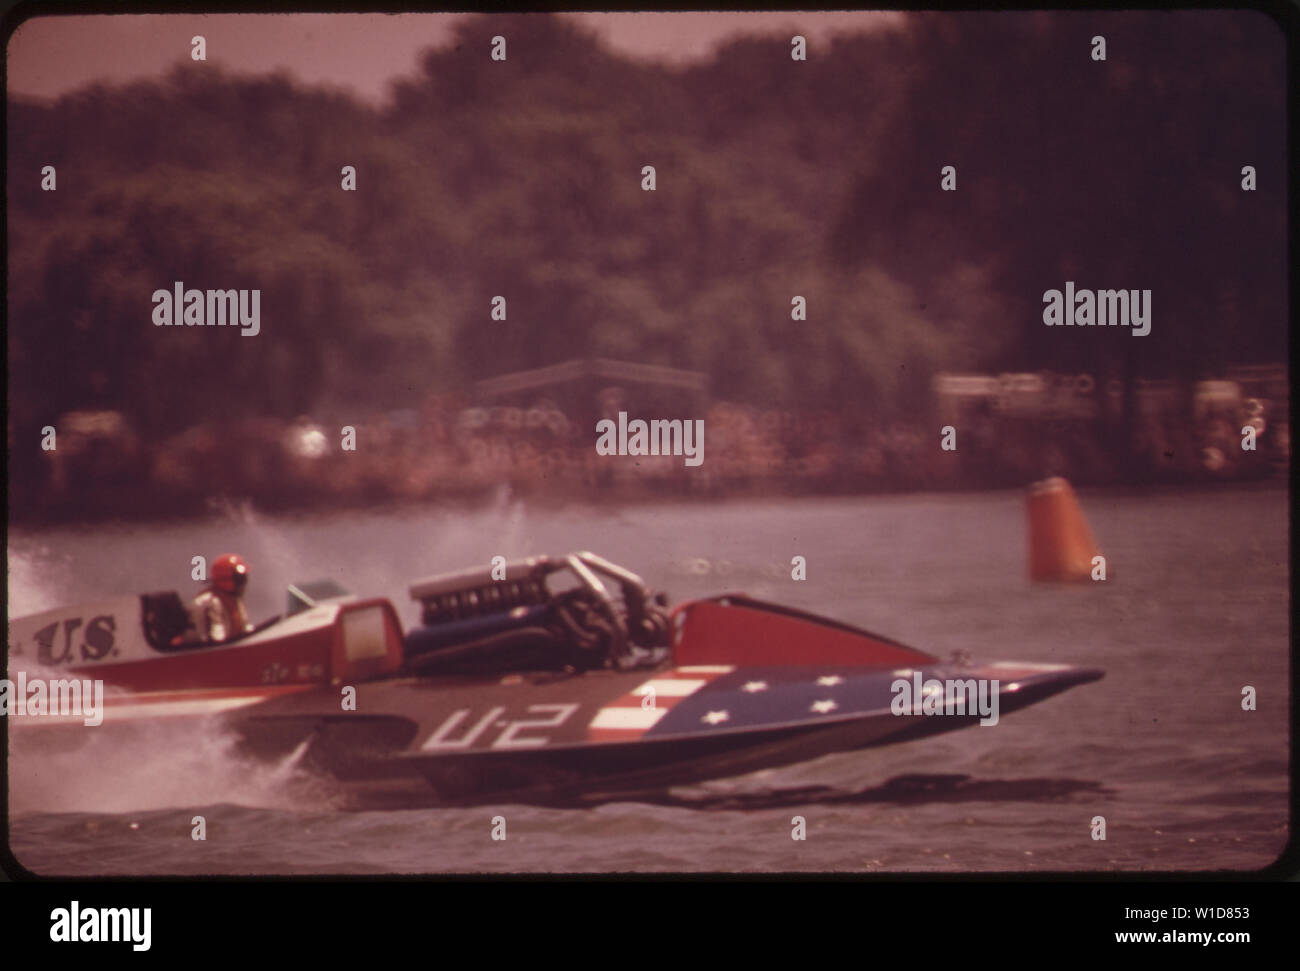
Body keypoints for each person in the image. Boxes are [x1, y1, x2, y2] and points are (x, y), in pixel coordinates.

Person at [190, 553, 254, 644]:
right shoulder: (209, 602)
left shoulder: (234, 598)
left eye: (244, 579)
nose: (244, 584)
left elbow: (245, 628)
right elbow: (216, 639)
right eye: (241, 580)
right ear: (227, 580)